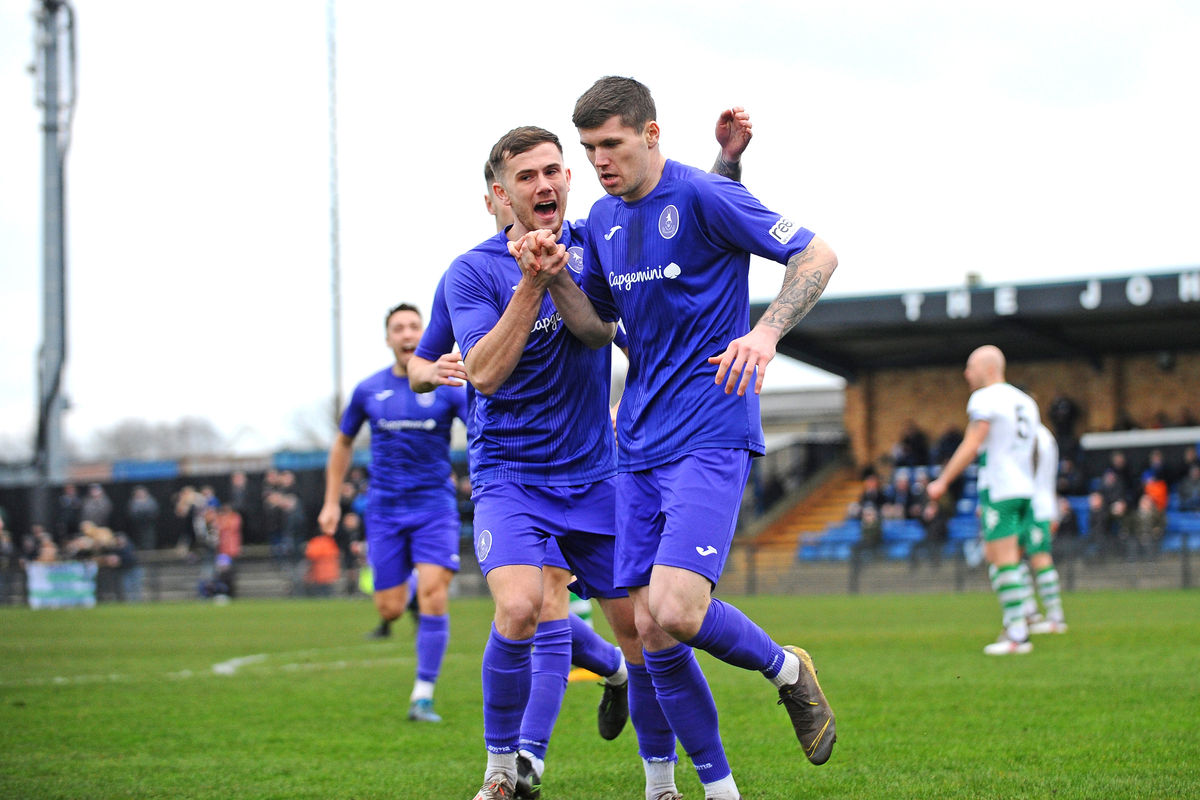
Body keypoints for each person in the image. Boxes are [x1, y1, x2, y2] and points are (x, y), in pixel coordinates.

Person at [511, 75, 838, 800]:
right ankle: (712, 791)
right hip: (637, 445)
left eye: (613, 144)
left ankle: (788, 671)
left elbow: (817, 256)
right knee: (651, 634)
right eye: (590, 148)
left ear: (651, 135)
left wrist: (765, 331)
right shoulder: (601, 219)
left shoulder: (704, 195)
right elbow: (596, 325)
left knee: (679, 610)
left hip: (710, 431)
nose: (599, 161)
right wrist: (555, 275)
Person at [417, 112, 755, 800]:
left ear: (566, 179)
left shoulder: (597, 241)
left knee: (648, 631)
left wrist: (727, 167)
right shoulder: (473, 273)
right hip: (510, 476)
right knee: (517, 606)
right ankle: (502, 772)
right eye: (525, 177)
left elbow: (679, 248)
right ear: (499, 196)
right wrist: (533, 282)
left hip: (599, 474)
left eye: (552, 171)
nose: (543, 184)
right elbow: (483, 374)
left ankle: (662, 783)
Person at [319, 303, 468, 723]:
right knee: (389, 608)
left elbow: (481, 428)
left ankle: (423, 695)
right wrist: (331, 502)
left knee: (434, 597)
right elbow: (343, 442)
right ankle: (420, 573)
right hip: (384, 511)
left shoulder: (448, 386)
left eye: (414, 327)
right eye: (398, 328)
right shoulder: (368, 391)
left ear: (425, 335)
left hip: (433, 507)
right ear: (388, 339)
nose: (407, 334)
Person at [927, 345, 1040, 655]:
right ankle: (1020, 619)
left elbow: (974, 442)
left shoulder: (984, 398)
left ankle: (1018, 633)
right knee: (1004, 558)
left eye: (970, 367)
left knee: (1001, 558)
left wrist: (943, 481)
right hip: (1024, 487)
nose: (966, 374)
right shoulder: (1026, 401)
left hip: (1001, 489)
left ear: (988, 369)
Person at [1022, 423, 1068, 634]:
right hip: (1040, 503)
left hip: (1035, 506)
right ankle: (1030, 611)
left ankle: (1055, 616)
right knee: (1014, 554)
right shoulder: (1045, 435)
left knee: (1039, 557)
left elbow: (1030, 469)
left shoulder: (1034, 436)